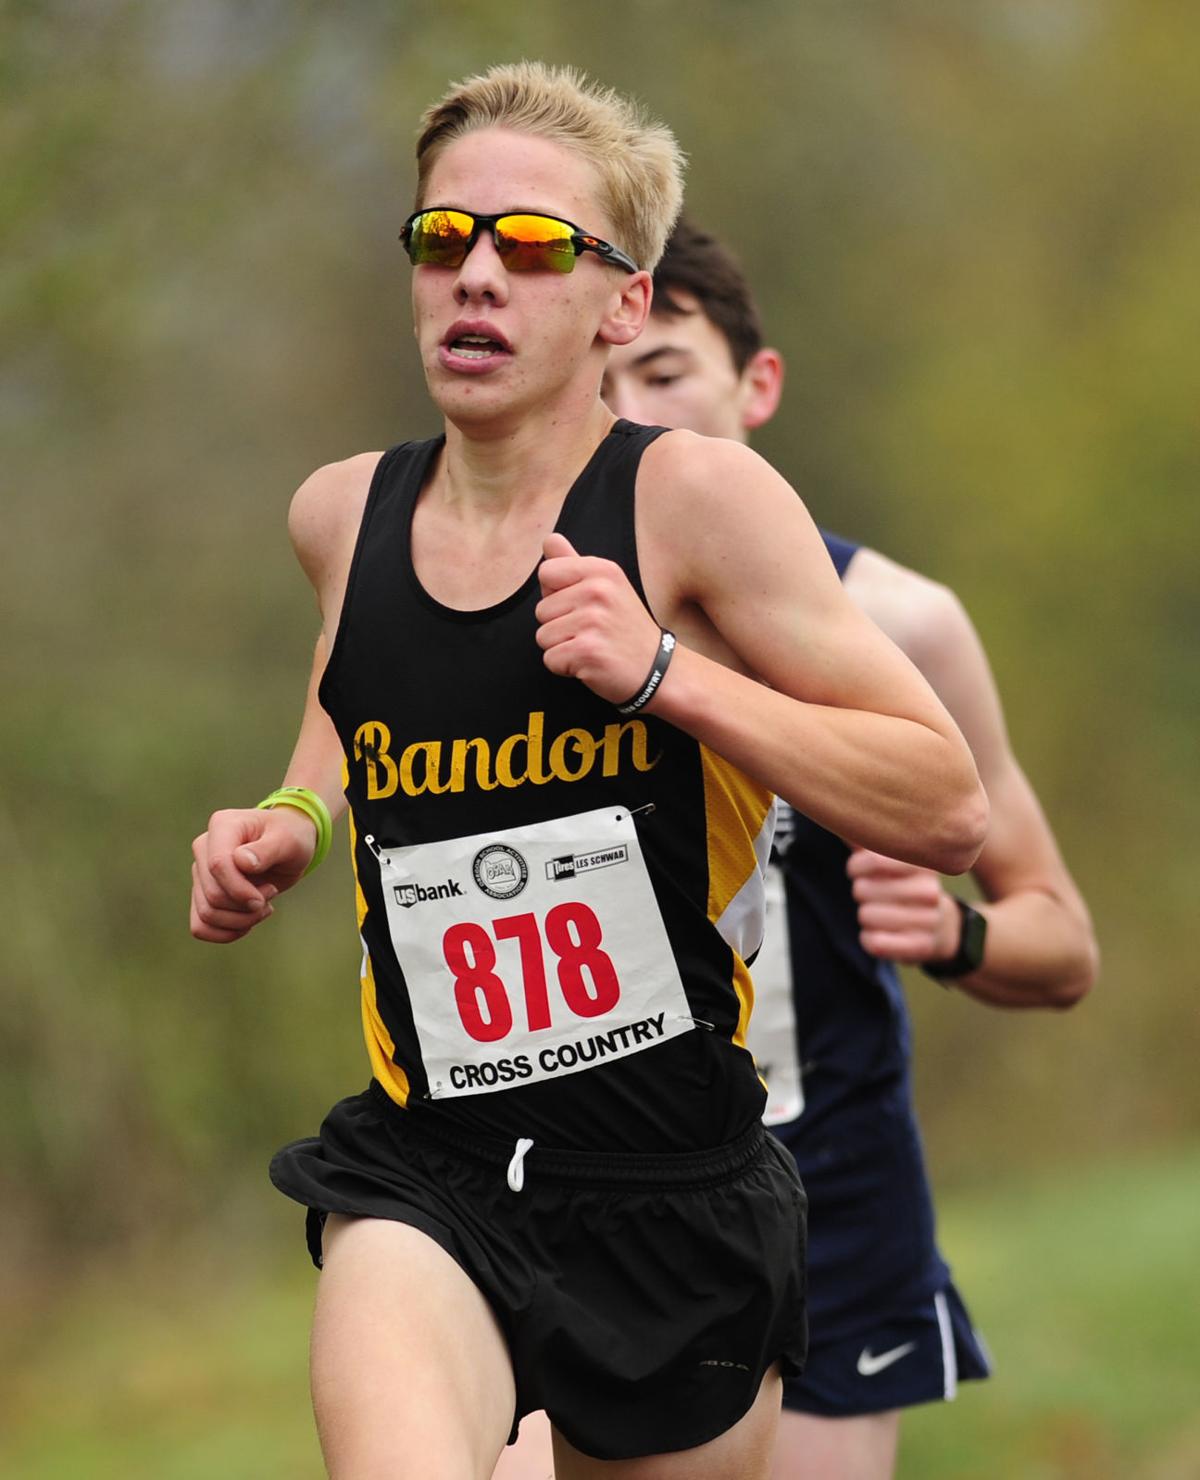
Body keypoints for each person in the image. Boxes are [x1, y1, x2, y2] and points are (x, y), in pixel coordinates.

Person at [189, 65, 988, 1480]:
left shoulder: (696, 502)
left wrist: (666, 679)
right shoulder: (340, 514)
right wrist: (294, 822)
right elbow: (346, 699)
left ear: (624, 301)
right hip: (426, 1171)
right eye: (444, 240)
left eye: (535, 245)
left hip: (672, 1196)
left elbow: (941, 796)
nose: (477, 275)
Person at [584, 219, 1090, 1480]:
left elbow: (1061, 940)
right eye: (599, 387)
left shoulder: (905, 624)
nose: (630, 414)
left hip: (831, 1188)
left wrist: (957, 931)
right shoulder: (523, 629)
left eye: (663, 372)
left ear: (757, 385)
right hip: (581, 1183)